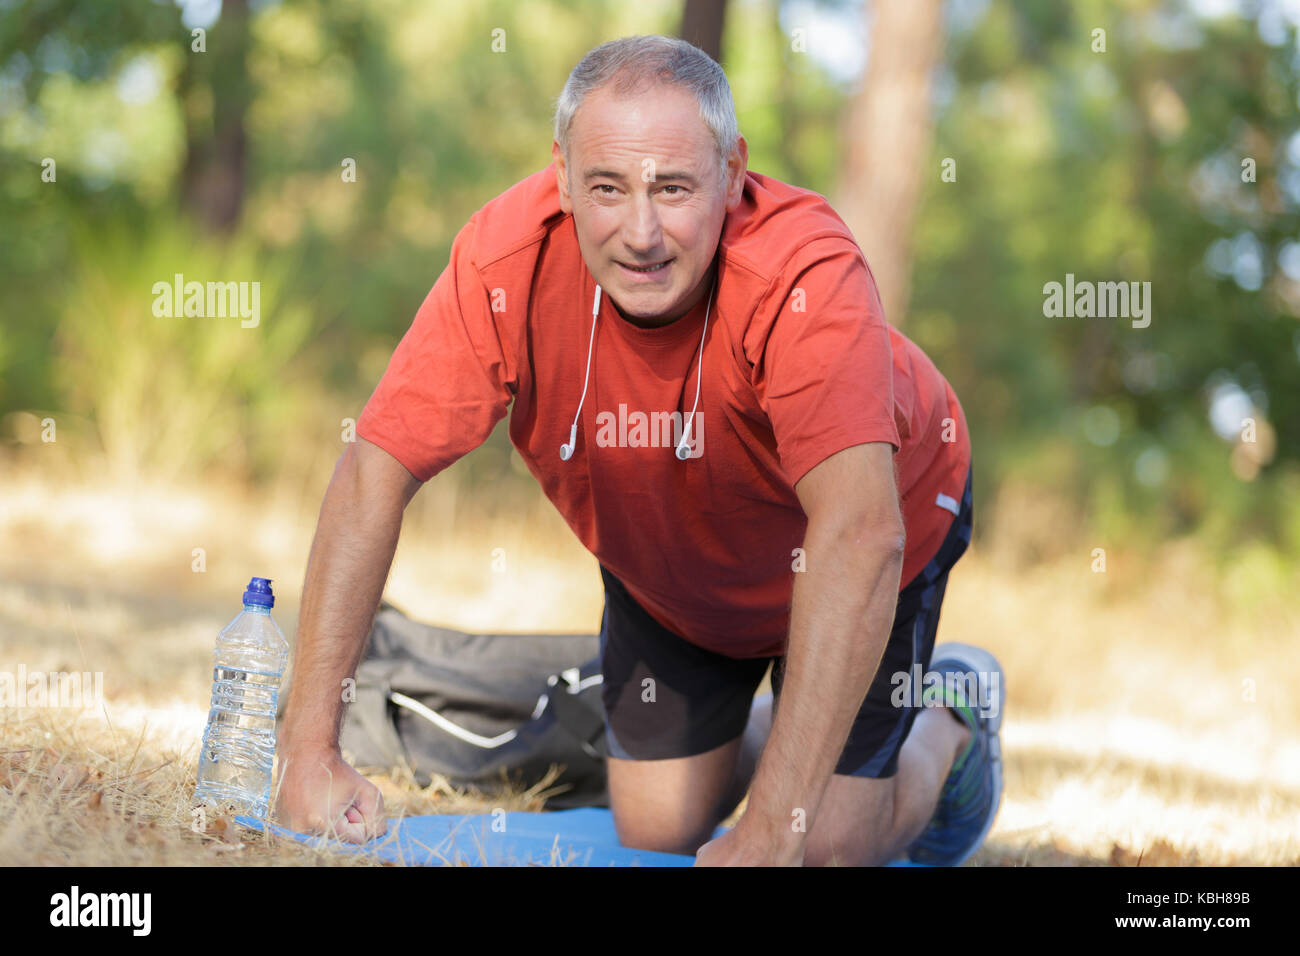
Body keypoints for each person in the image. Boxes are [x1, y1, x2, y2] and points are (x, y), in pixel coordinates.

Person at [276, 34, 1004, 867]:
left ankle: (950, 715)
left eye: (674, 187)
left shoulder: (804, 273)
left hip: (876, 533)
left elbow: (860, 534)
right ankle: (797, 726)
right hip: (677, 558)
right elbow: (374, 471)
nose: (641, 231)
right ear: (562, 176)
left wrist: (770, 830)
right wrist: (308, 754)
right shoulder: (504, 261)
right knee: (657, 829)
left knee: (822, 843)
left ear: (733, 174)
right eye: (608, 188)